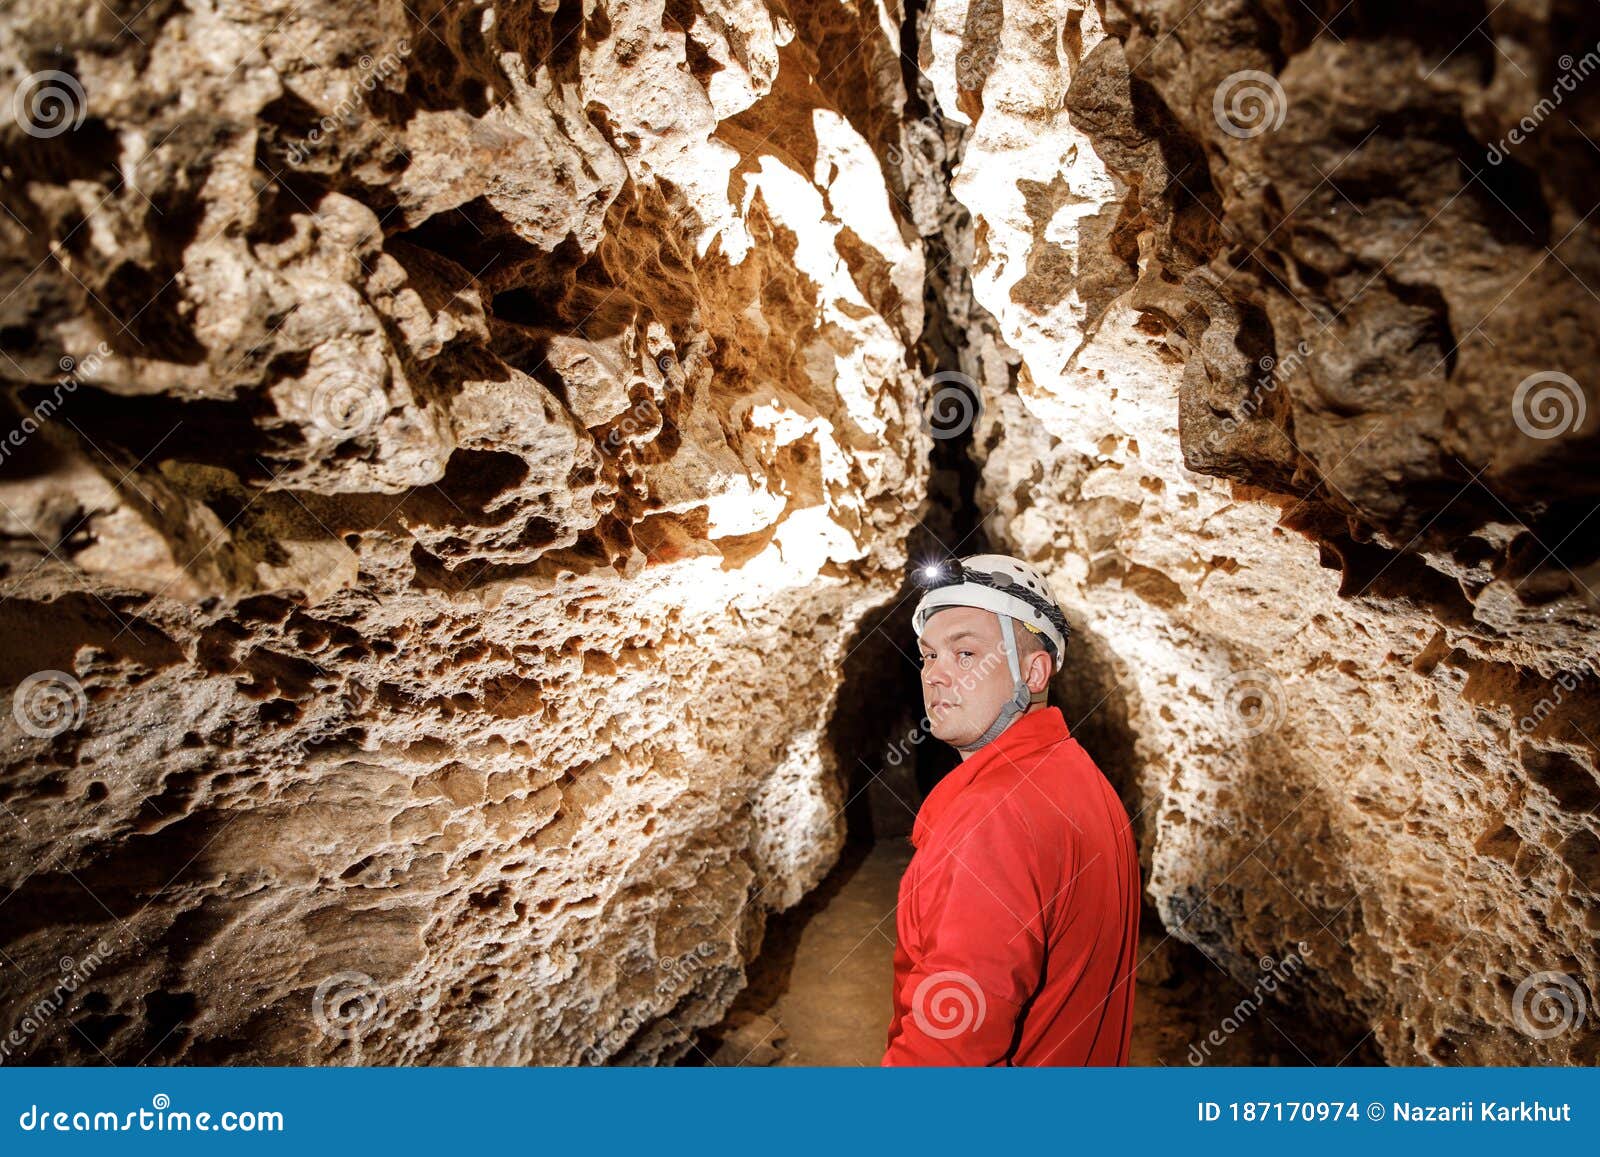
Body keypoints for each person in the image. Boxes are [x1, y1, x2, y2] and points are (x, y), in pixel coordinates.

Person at [881, 553, 1141, 1066]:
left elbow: (948, 1051)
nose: (935, 675)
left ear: (1035, 671)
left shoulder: (992, 818)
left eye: (967, 654)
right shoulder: (1080, 778)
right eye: (928, 655)